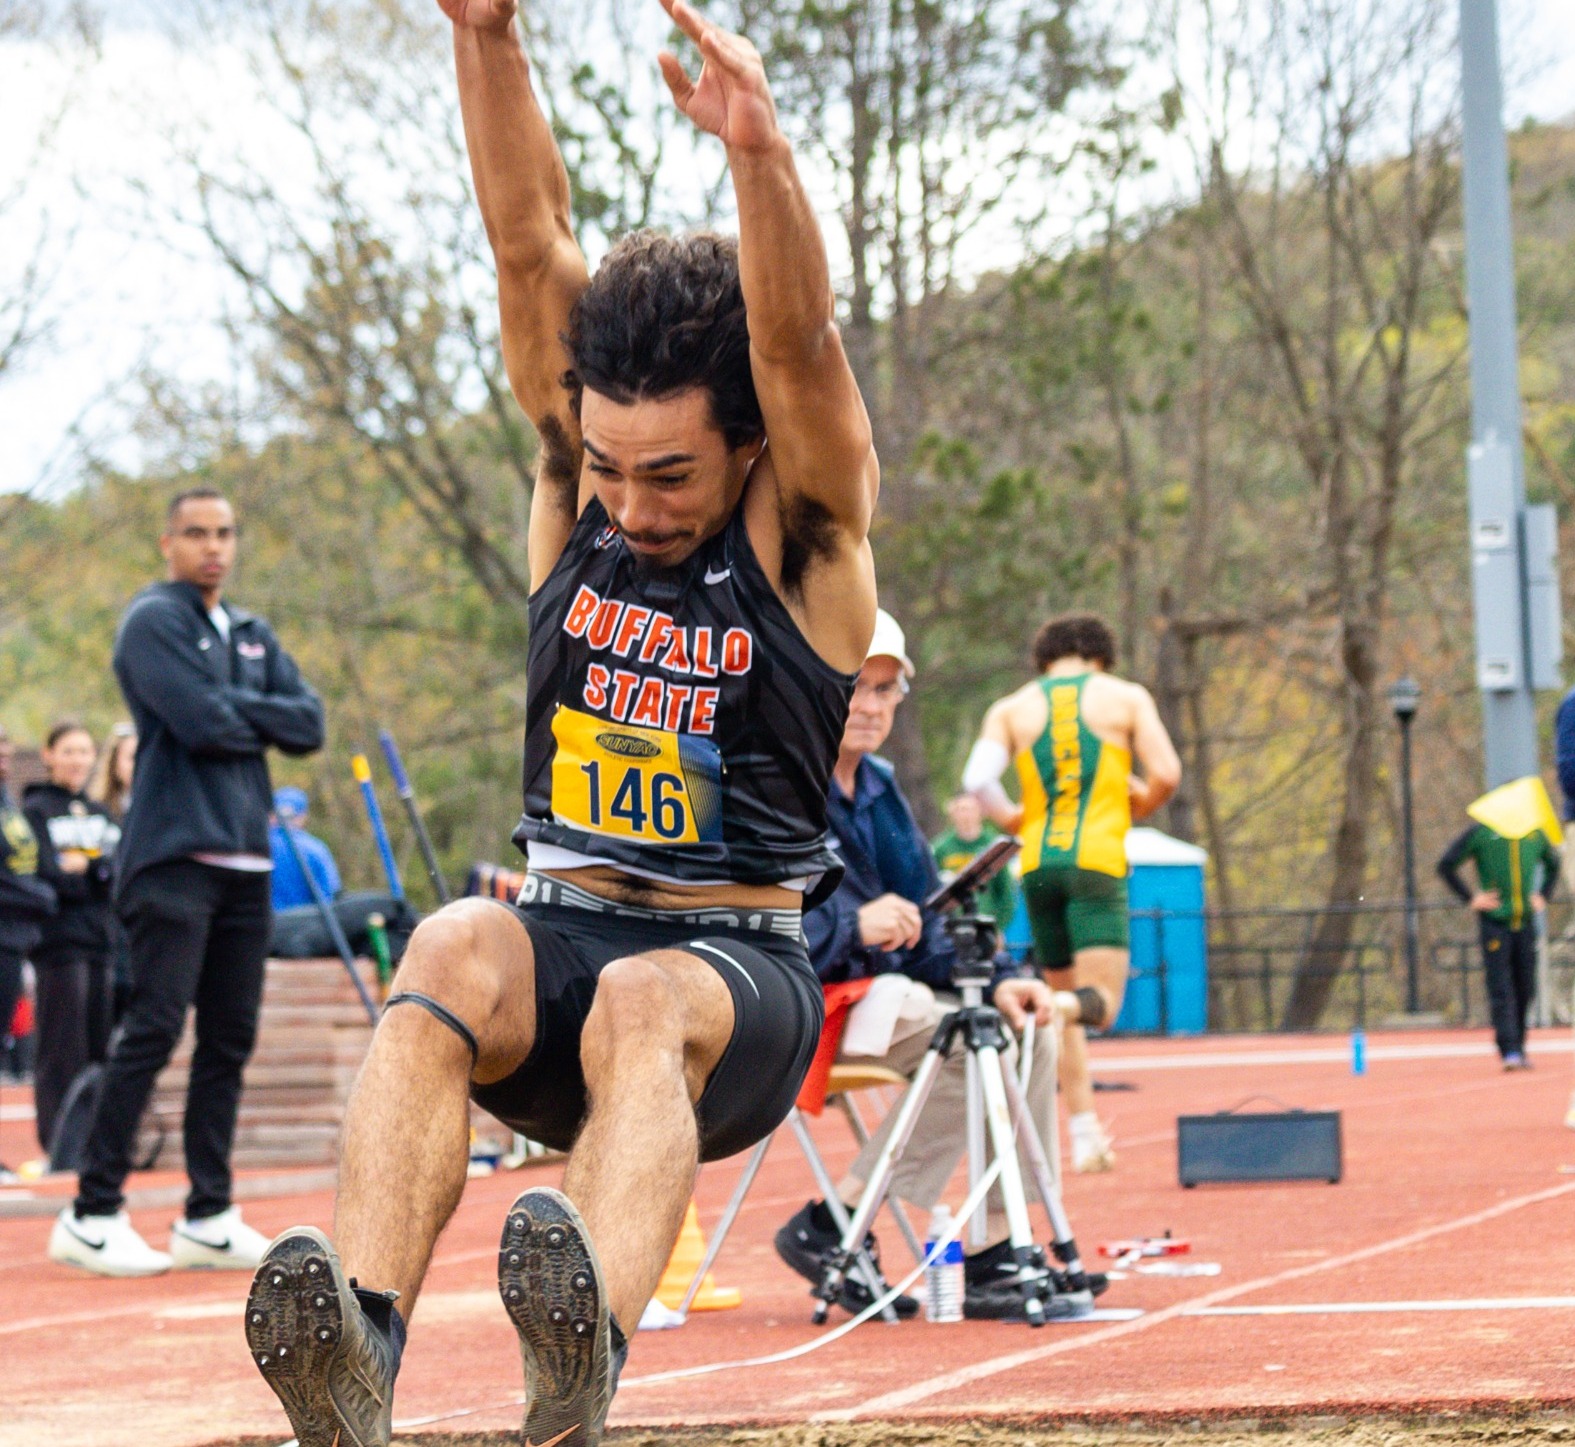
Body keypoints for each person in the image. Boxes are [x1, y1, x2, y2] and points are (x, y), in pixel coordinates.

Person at [244, 1, 879, 1442]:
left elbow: (795, 335)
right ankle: (360, 1346)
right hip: (568, 931)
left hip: (736, 978)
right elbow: (527, 246)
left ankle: (578, 1349)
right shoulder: (576, 482)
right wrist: (485, 38)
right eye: (607, 468)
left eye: (669, 476)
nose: (632, 507)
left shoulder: (806, 541)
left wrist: (758, 151)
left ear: (749, 447)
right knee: (451, 941)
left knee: (648, 1000)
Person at [773, 610, 1096, 1322]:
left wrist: (1006, 973)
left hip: (887, 1001)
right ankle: (838, 1220)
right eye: (855, 685)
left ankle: (993, 1248)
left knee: (1022, 1024)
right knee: (944, 1023)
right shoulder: (776, 782)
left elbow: (930, 915)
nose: (869, 705)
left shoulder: (881, 787)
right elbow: (741, 919)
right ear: (815, 685)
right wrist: (847, 924)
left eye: (885, 690)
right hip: (801, 1004)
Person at [47, 488, 325, 1277]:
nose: (214, 546)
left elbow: (309, 725)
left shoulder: (249, 630)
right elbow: (203, 727)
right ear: (167, 543)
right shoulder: (152, 621)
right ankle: (91, 1209)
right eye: (197, 533)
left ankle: (207, 1212)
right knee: (156, 1027)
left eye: (226, 532)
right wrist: (254, 713)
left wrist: (240, 710)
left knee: (230, 1038)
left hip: (246, 861)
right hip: (170, 858)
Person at [964, 613, 1181, 1173]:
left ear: (1044, 658)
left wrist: (1014, 817)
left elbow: (976, 779)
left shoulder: (1012, 708)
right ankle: (1043, 1006)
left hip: (1036, 864)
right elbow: (1168, 773)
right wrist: (1140, 801)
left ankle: (1085, 1135)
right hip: (1096, 862)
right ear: (1100, 657)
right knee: (1096, 1007)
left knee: (1066, 1012)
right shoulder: (1124, 698)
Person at [22, 721, 121, 1157]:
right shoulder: (36, 810)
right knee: (62, 1048)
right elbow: (47, 874)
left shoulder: (100, 812)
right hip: (58, 945)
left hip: (102, 943)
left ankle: (94, 1143)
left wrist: (88, 869)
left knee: (100, 1046)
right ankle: (59, 1144)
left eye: (85, 751)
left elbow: (115, 873)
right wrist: (90, 871)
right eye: (68, 751)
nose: (78, 760)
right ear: (48, 755)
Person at [1437, 815, 1559, 1069]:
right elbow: (1446, 865)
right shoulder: (1482, 832)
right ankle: (1509, 1050)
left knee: (1525, 986)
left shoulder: (1533, 833)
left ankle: (1520, 1046)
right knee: (1501, 988)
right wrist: (1471, 897)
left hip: (1524, 924)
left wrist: (1543, 896)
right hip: (1495, 924)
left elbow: (1553, 864)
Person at [0, 723, 57, 1182]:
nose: (3, 755)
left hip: (15, 937)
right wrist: (40, 897)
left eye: (5, 746)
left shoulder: (8, 801)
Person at [931, 792, 1019, 932]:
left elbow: (1006, 892)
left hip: (987, 925)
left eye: (970, 809)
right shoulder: (941, 848)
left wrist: (997, 929)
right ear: (952, 813)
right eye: (960, 809)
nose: (966, 815)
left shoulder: (993, 844)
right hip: (953, 928)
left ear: (979, 811)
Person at [268, 786, 342, 911]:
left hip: (268, 927)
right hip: (309, 927)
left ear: (272, 814)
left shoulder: (254, 848)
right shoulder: (316, 848)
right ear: (302, 815)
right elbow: (331, 895)